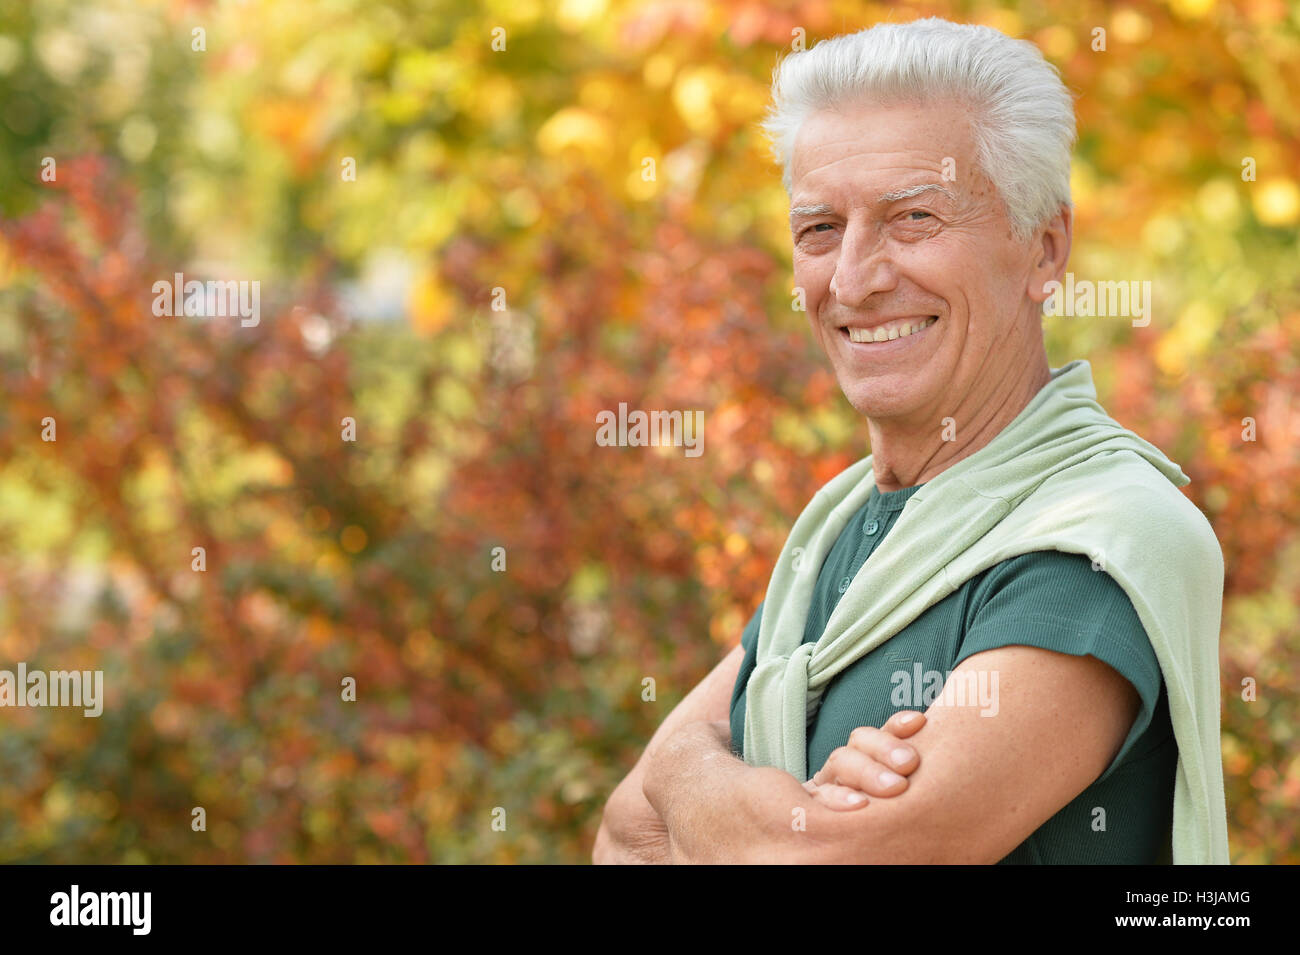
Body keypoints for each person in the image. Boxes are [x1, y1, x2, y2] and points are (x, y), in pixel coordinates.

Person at [593, 18, 1228, 864]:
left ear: (1045, 247)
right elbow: (622, 837)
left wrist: (684, 766)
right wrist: (744, 794)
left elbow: (819, 861)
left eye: (914, 217)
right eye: (819, 229)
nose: (854, 278)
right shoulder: (837, 533)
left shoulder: (1102, 543)